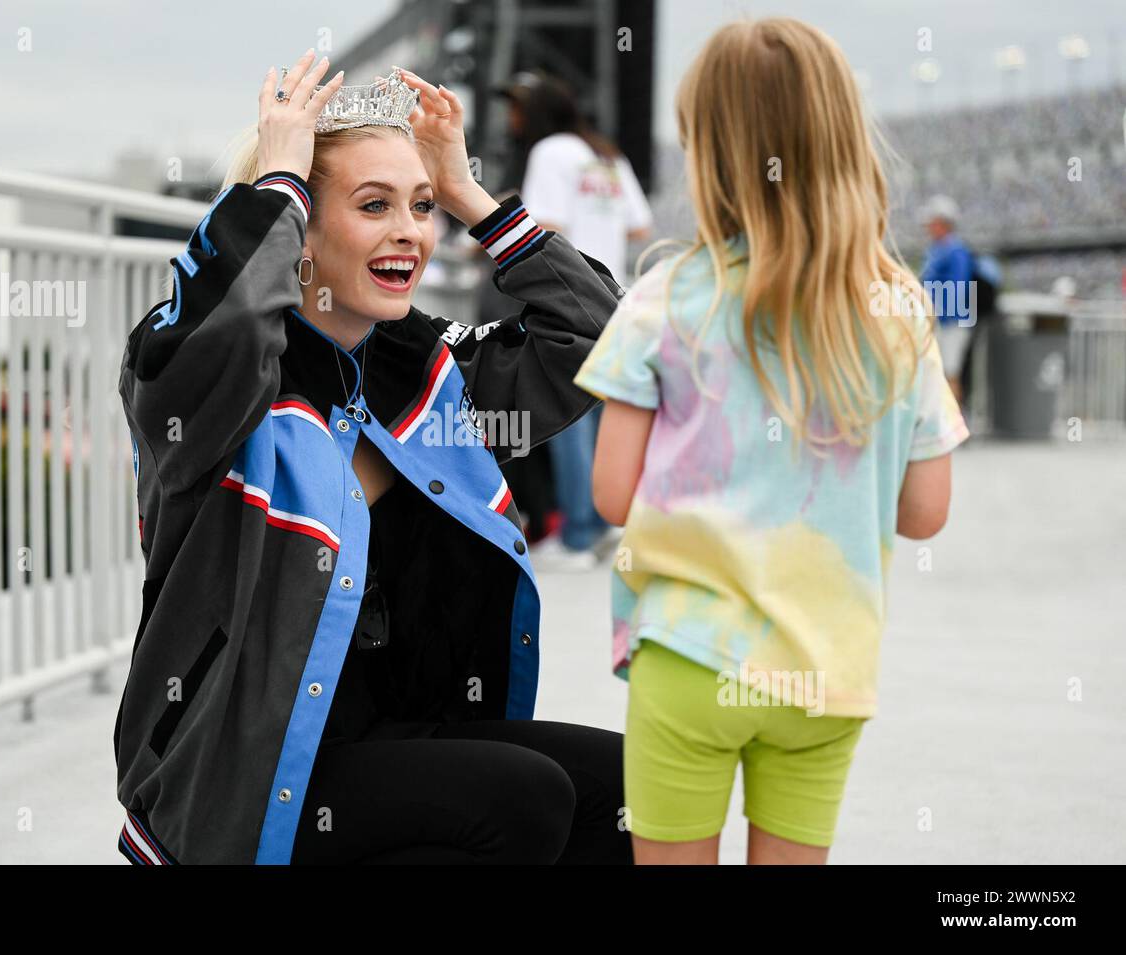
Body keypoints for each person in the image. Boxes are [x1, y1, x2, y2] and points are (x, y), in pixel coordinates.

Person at [114, 51, 632, 865]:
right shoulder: (214, 382)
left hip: (392, 737)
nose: (409, 232)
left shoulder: (422, 367)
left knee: (628, 789)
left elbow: (597, 340)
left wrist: (469, 194)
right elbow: (215, 335)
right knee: (523, 800)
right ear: (300, 231)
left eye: (420, 207)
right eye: (373, 205)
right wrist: (277, 180)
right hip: (245, 772)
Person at [573, 18, 969, 864]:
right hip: (827, 668)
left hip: (687, 657)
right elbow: (927, 510)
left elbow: (611, 493)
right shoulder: (897, 307)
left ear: (707, 152)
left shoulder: (664, 298)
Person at [498, 71, 654, 570]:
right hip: (616, 298)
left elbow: (546, 226)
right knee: (608, 415)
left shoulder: (549, 154)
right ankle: (607, 526)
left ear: (537, 111)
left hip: (570, 297)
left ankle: (579, 536)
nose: (510, 118)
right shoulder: (605, 154)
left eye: (517, 107)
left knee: (568, 417)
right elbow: (640, 225)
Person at [920, 194, 977, 405]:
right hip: (937, 321)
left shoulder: (956, 251)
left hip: (951, 322)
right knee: (935, 372)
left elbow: (957, 287)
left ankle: (952, 427)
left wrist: (938, 314)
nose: (929, 227)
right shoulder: (935, 250)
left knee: (950, 372)